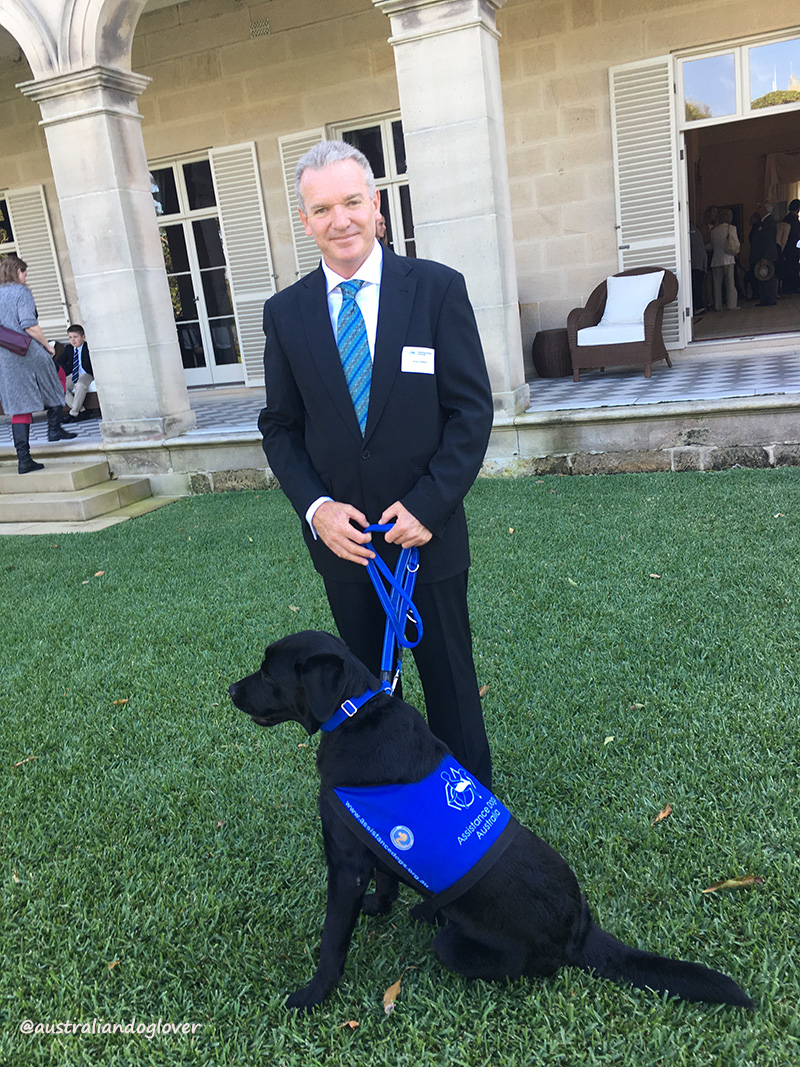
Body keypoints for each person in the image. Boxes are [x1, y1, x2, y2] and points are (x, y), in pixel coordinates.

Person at [258, 140, 494, 787]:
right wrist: (317, 509)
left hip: (429, 538)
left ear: (377, 204)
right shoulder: (285, 315)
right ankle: (383, 814)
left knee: (450, 685)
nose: (341, 220)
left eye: (352, 201)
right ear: (305, 220)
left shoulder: (438, 290)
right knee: (359, 694)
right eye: (323, 208)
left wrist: (429, 503)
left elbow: (471, 412)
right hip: (347, 548)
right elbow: (279, 428)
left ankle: (468, 816)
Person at [0, 255, 76, 474]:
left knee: (19, 405)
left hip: (4, 354)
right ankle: (54, 428)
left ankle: (24, 460)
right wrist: (48, 346)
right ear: (17, 272)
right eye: (24, 272)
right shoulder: (21, 292)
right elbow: (29, 325)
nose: (26, 276)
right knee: (57, 375)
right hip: (26, 349)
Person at [57, 323, 94, 420]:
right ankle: (82, 411)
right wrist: (68, 369)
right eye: (70, 337)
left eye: (75, 337)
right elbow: (60, 361)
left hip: (86, 373)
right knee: (60, 387)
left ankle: (73, 413)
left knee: (80, 385)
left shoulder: (88, 347)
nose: (73, 340)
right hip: (74, 373)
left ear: (83, 337)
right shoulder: (69, 348)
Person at [706, 208, 739, 311]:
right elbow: (736, 243)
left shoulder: (714, 231)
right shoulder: (732, 228)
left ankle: (718, 306)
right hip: (728, 259)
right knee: (729, 283)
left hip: (716, 260)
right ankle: (731, 305)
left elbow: (711, 246)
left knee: (717, 285)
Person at [750, 202, 779, 307]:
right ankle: (765, 299)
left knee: (767, 277)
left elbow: (768, 241)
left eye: (760, 208)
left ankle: (769, 299)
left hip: (766, 255)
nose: (759, 210)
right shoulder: (764, 222)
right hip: (761, 255)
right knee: (762, 277)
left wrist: (765, 257)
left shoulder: (769, 222)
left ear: (766, 209)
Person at [778, 199, 800, 295]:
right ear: (798, 209)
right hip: (793, 249)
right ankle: (792, 288)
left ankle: (787, 288)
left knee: (787, 269)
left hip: (784, 249)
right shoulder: (794, 221)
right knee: (793, 269)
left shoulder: (785, 219)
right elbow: (796, 236)